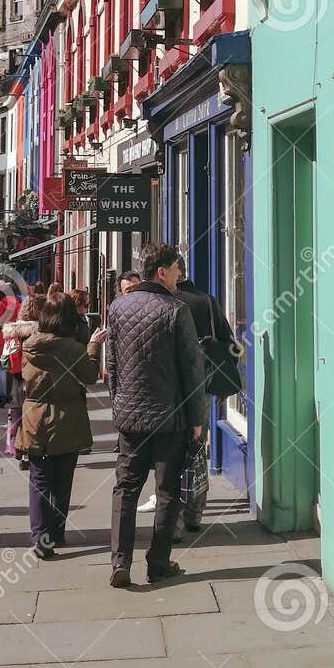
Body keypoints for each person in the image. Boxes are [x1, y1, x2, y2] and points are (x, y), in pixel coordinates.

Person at [104, 241, 206, 589]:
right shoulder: (176, 311)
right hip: (169, 417)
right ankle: (158, 564)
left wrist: (118, 404)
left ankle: (120, 562)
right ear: (161, 272)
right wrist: (197, 420)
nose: (180, 275)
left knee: (126, 490)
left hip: (130, 419)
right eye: (177, 269)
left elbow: (112, 366)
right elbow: (192, 371)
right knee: (168, 492)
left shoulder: (117, 308)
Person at [17, 295, 106, 557]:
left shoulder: (29, 345)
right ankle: (56, 531)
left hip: (34, 417)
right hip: (68, 418)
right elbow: (90, 376)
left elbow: (24, 378)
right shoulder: (73, 348)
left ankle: (40, 539)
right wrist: (92, 347)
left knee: (39, 480)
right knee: (63, 480)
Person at [173, 257, 241, 536]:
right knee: (197, 450)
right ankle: (195, 512)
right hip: (200, 386)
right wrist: (222, 385)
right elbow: (228, 343)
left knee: (171, 452)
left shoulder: (167, 302)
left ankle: (173, 519)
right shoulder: (207, 301)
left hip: (170, 388)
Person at [0, 292, 45, 456]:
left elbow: (5, 360)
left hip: (18, 378)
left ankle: (19, 447)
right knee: (36, 415)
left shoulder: (13, 331)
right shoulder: (42, 332)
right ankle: (32, 449)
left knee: (20, 413)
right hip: (38, 377)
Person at [0, 288, 20, 409]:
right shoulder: (15, 301)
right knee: (12, 367)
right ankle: (9, 393)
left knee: (2, 367)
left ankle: (3, 396)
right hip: (14, 335)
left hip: (2, 336)